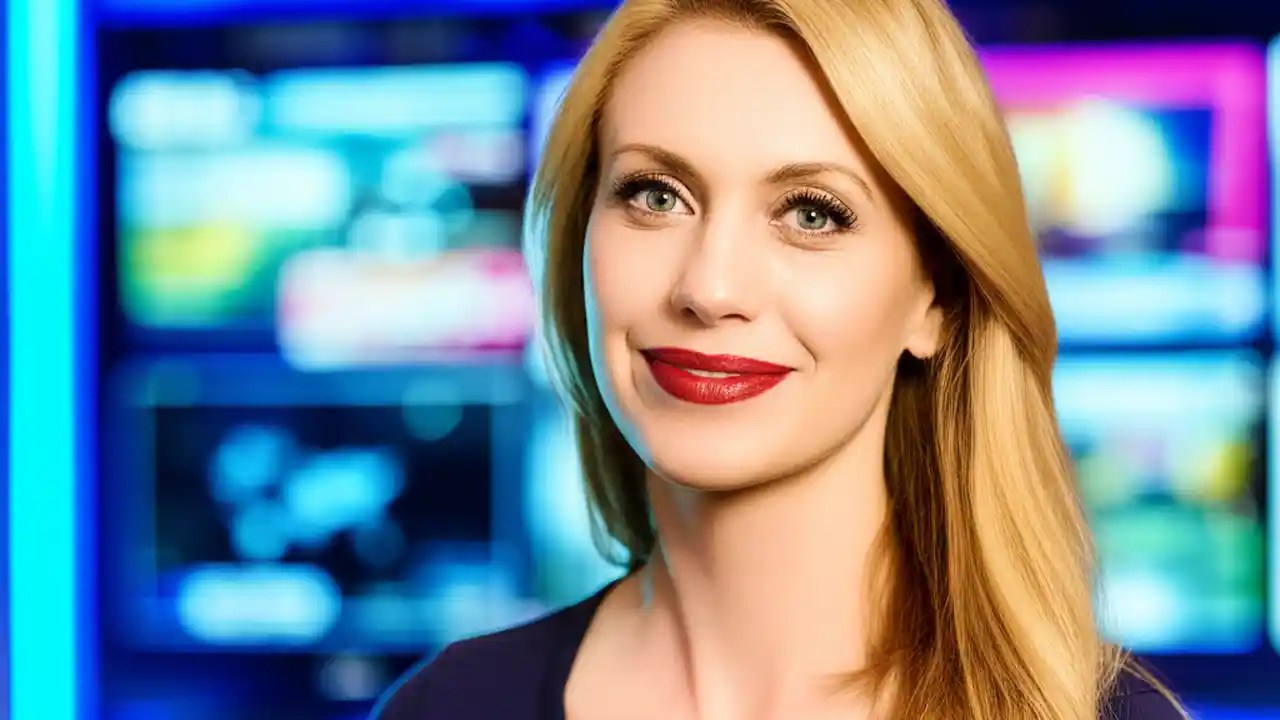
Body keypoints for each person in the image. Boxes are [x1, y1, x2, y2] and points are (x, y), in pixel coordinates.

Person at [374, 0, 1187, 718]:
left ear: (934, 296)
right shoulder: (446, 705)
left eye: (812, 214)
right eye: (656, 195)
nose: (709, 286)